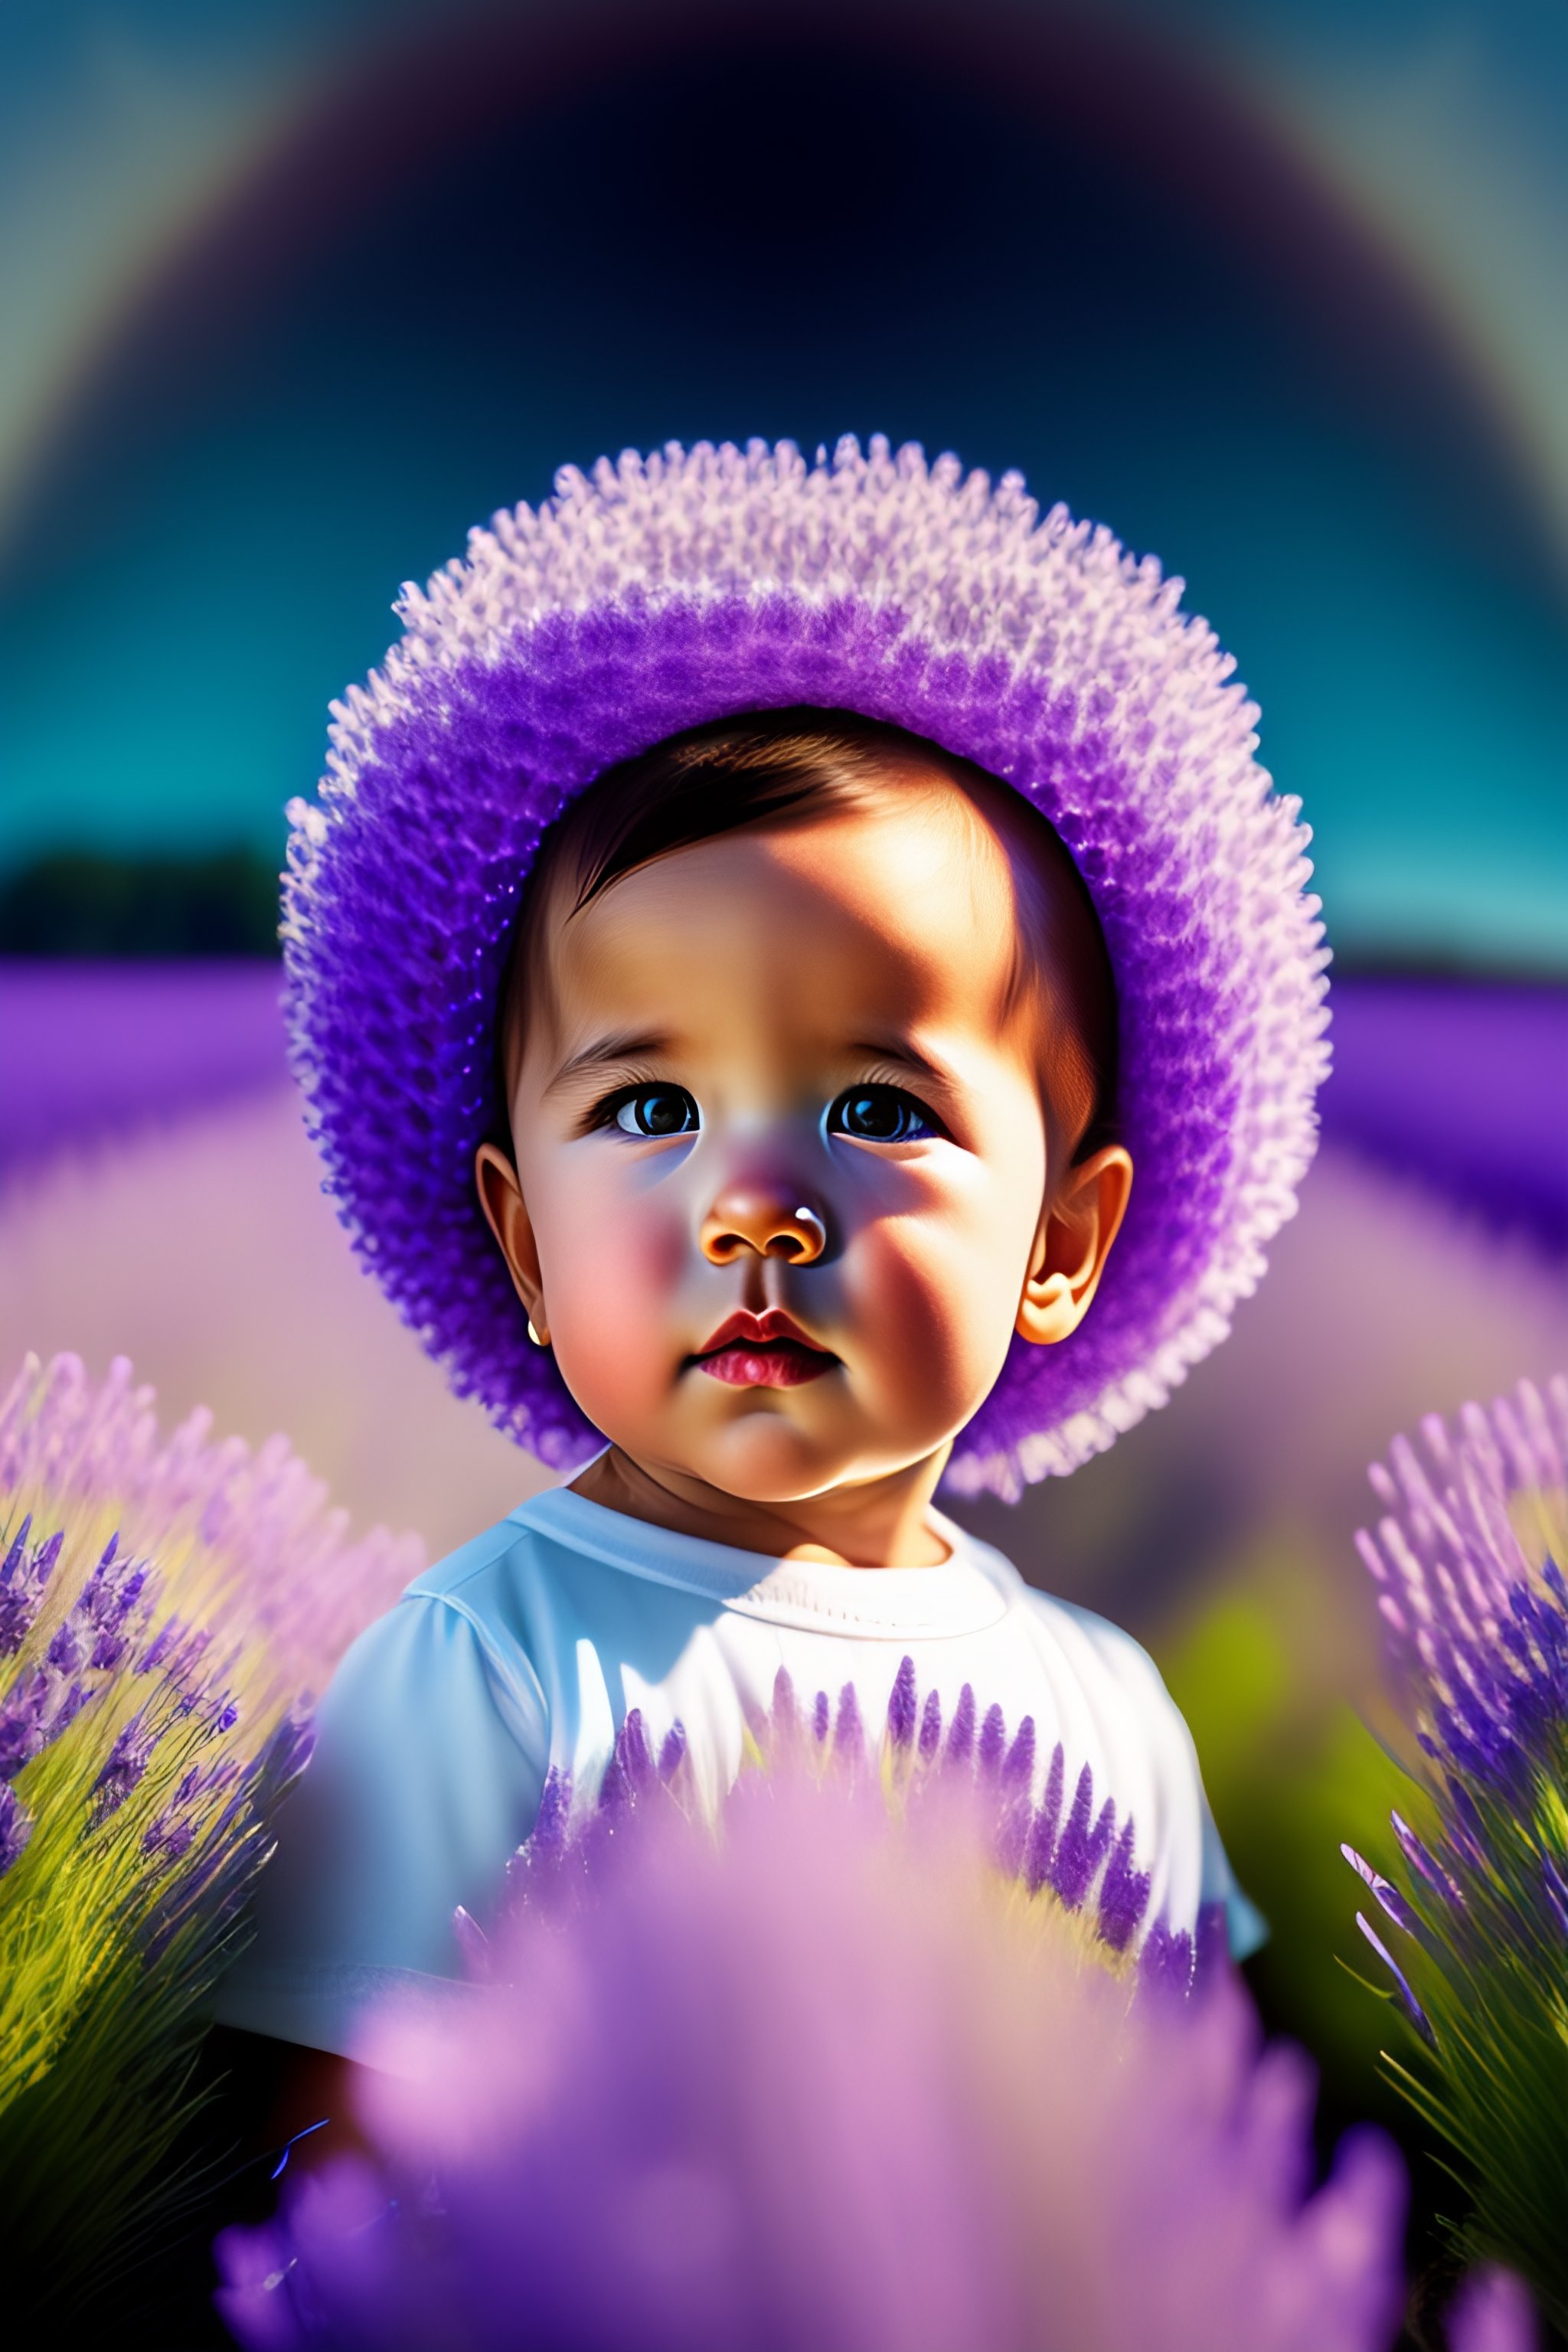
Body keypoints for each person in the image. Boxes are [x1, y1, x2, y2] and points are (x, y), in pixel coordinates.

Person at [217, 436, 1327, 2082]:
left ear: (1061, 1243)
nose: (752, 1207)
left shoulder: (1107, 1713)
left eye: (878, 1105)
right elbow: (342, 2178)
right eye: (650, 1103)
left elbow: (1204, 2144)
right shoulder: (478, 1678)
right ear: (522, 1241)